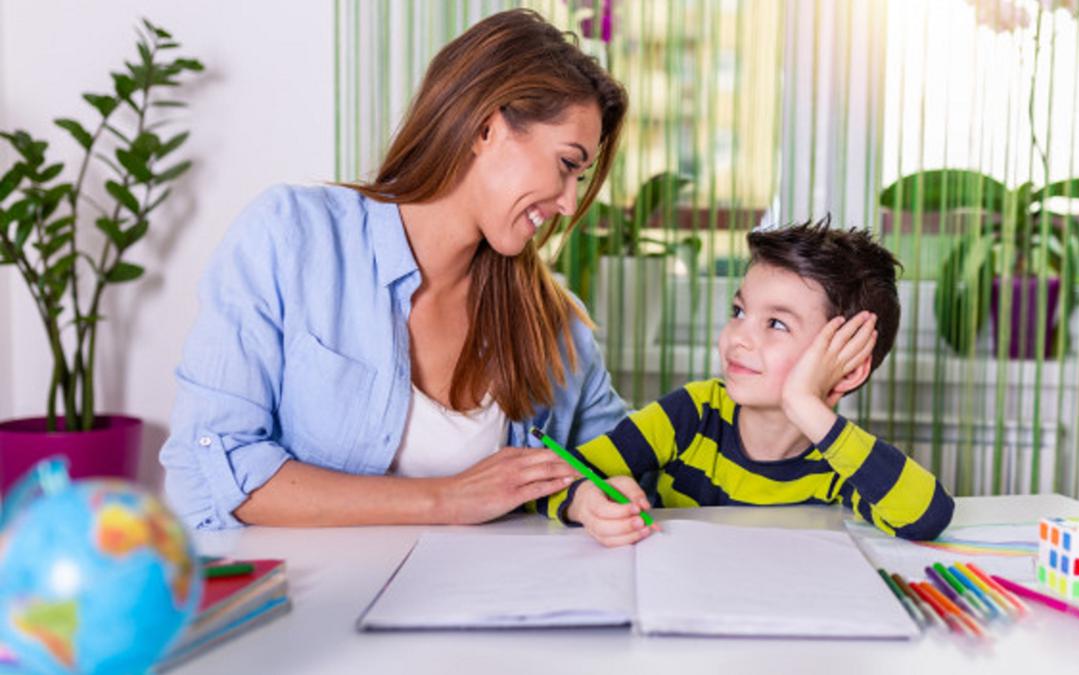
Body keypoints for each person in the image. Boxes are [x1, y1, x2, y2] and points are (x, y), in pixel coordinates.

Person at [160, 9, 630, 530]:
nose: (569, 203)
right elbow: (213, 465)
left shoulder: (554, 327)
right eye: (567, 164)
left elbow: (625, 465)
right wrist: (445, 501)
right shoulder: (293, 240)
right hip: (315, 584)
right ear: (486, 128)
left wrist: (600, 493)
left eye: (580, 178)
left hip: (495, 585)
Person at [538, 218, 956, 545]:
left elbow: (927, 517)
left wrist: (805, 405)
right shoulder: (690, 414)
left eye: (776, 324)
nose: (739, 337)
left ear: (847, 369)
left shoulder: (840, 457)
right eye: (739, 311)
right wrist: (584, 502)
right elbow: (555, 475)